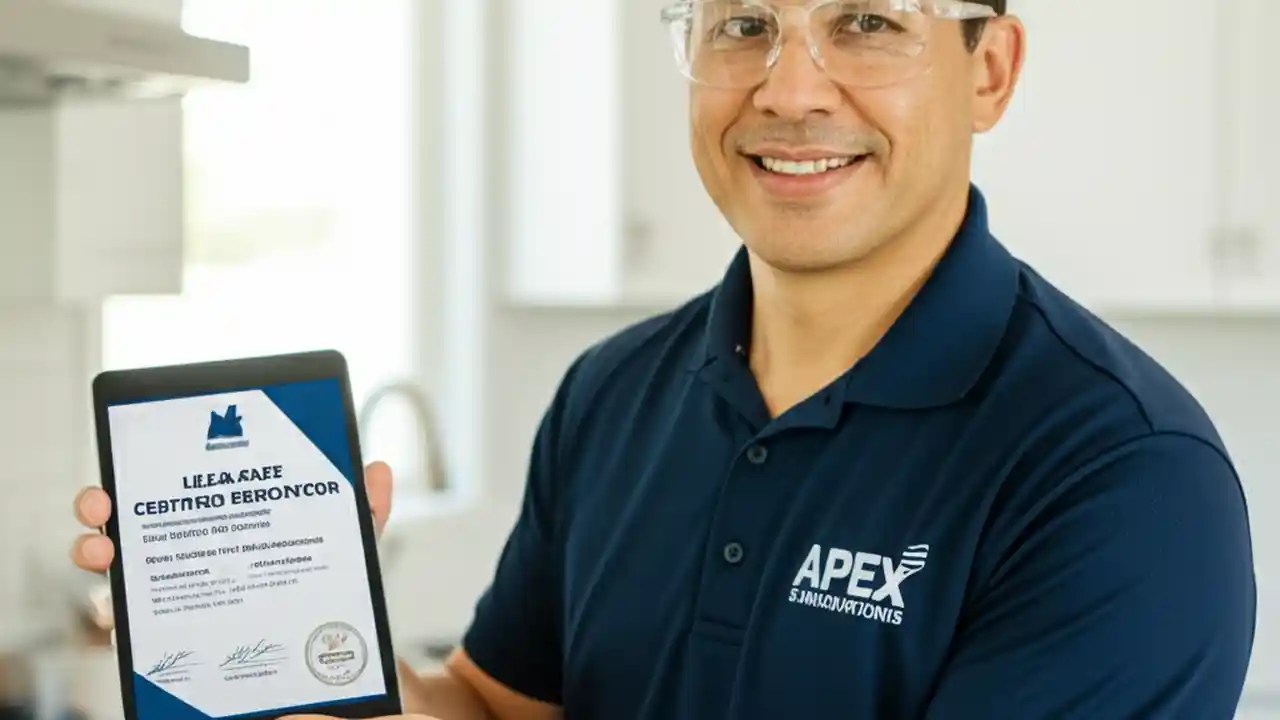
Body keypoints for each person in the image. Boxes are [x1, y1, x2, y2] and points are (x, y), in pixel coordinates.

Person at [72, 0, 1257, 717]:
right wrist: (288, 645)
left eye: (866, 22)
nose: (790, 90)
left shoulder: (1122, 478)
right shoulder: (610, 394)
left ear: (987, 68)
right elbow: (497, 705)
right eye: (741, 23)